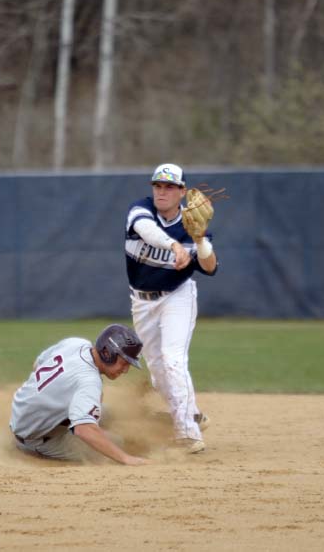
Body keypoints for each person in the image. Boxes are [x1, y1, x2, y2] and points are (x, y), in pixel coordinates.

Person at [123, 163, 218, 454]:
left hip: (177, 296)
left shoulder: (193, 228)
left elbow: (210, 267)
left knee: (173, 359)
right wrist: (175, 247)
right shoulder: (141, 210)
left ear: (181, 192)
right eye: (158, 186)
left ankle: (187, 433)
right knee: (158, 374)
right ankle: (192, 413)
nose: (161, 191)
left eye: (169, 187)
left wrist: (200, 240)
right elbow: (148, 232)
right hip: (142, 300)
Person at [9, 323, 150, 465]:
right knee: (117, 444)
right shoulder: (89, 380)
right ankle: (34, 446)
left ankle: (65, 421)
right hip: (35, 437)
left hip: (21, 413)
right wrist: (126, 458)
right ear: (108, 353)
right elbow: (83, 429)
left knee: (105, 413)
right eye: (124, 363)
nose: (125, 370)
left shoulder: (75, 343)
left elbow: (37, 364)